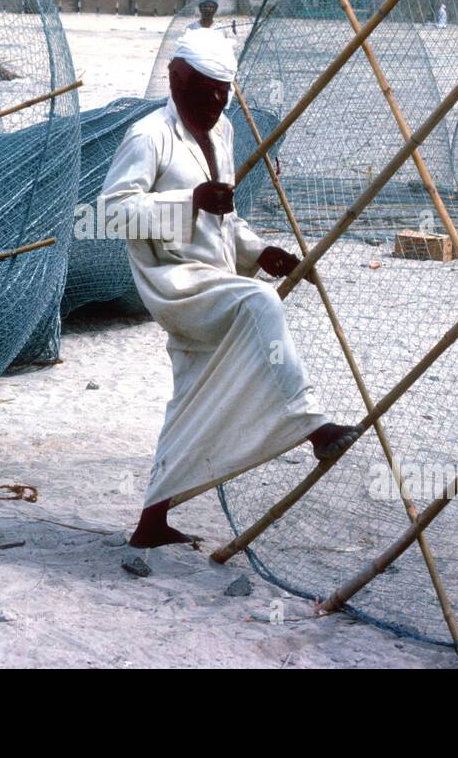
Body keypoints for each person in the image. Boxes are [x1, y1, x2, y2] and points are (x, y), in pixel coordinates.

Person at [98, 28, 361, 549]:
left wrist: (259, 251)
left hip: (216, 275)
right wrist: (190, 201)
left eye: (224, 93)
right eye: (205, 91)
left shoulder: (222, 134)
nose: (216, 103)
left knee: (190, 402)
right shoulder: (148, 136)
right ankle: (314, 429)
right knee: (259, 301)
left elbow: (228, 218)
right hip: (177, 286)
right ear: (177, 81)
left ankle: (151, 524)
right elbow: (111, 214)